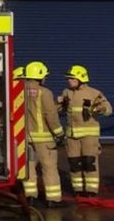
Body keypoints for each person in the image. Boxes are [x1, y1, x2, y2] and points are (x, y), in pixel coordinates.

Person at [58, 65, 111, 197]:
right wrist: (58, 103)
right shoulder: (66, 92)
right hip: (72, 135)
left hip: (89, 135)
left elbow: (108, 108)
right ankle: (78, 189)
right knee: (74, 163)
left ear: (81, 78)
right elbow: (59, 111)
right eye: (69, 79)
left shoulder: (94, 93)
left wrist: (100, 108)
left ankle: (91, 190)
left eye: (72, 78)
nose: (69, 81)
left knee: (89, 162)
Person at [22, 61, 67, 207]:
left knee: (28, 169)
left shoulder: (18, 90)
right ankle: (53, 200)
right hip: (44, 140)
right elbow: (50, 115)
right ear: (40, 76)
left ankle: (30, 197)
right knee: (49, 169)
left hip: (26, 139)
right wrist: (59, 133)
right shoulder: (45, 92)